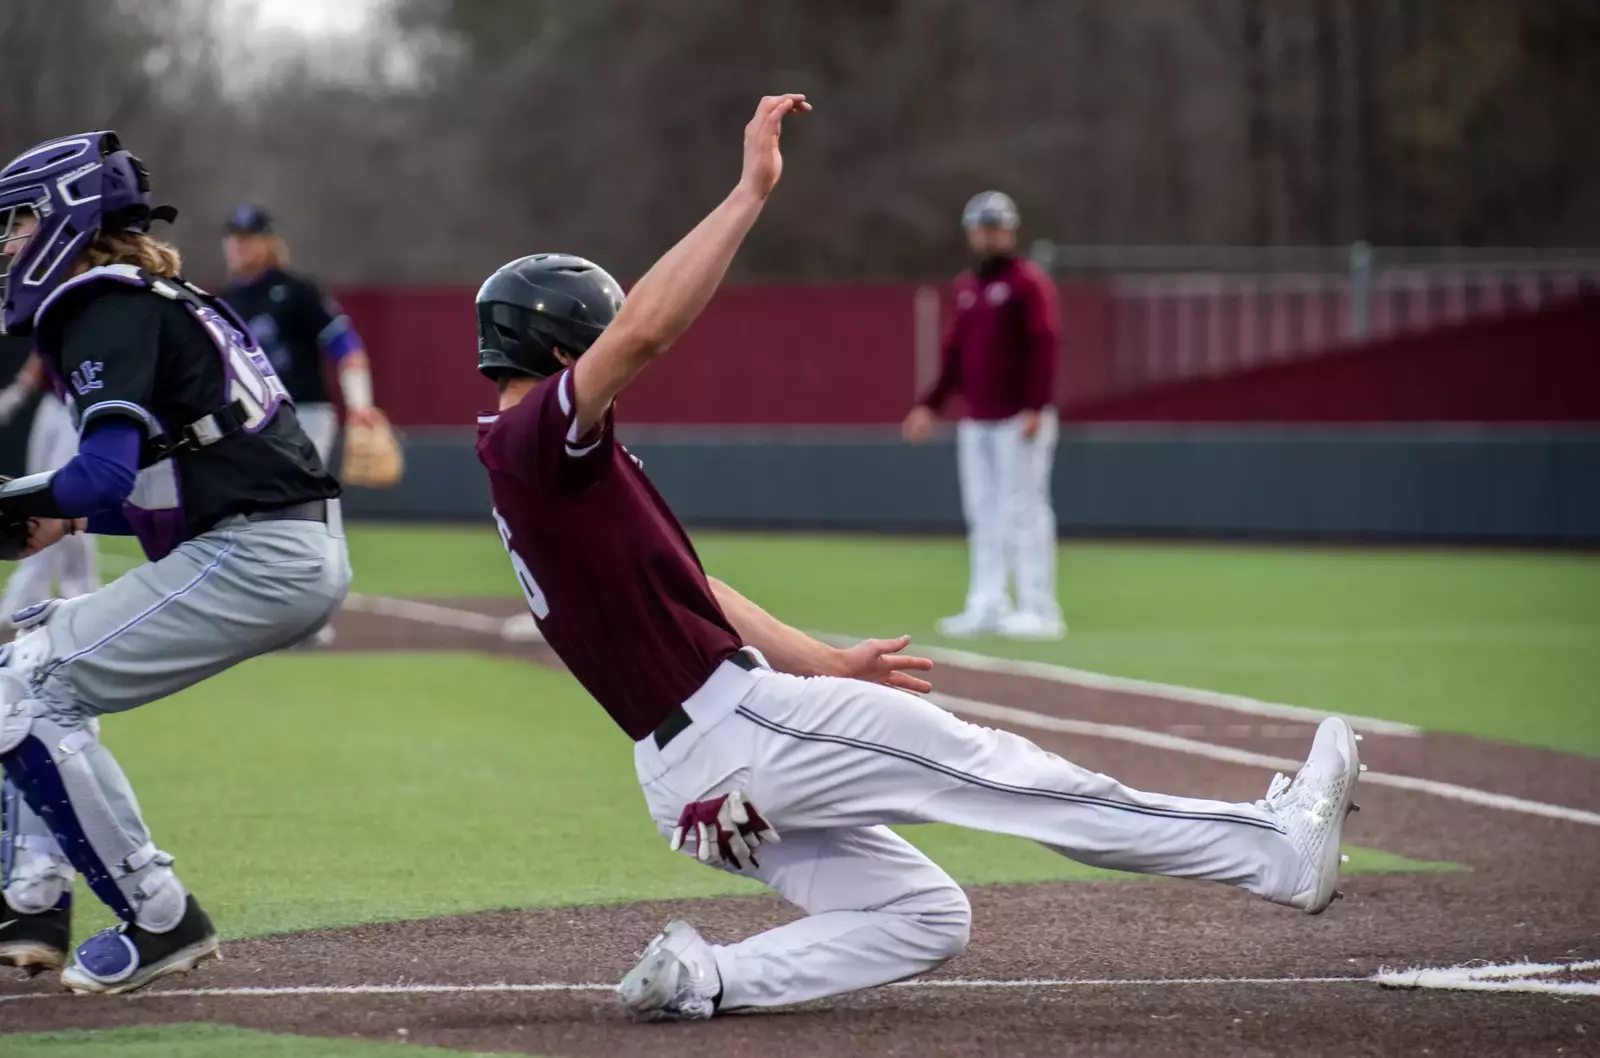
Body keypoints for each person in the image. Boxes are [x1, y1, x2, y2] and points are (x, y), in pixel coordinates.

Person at [473, 95, 1364, 1023]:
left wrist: (824, 662)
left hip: (686, 781)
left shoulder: (532, 462)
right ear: (567, 346)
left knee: (923, 914)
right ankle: (1276, 848)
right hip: (740, 735)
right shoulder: (537, 440)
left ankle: (707, 979)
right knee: (1020, 780)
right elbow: (647, 330)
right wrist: (749, 192)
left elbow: (695, 591)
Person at [0, 131, 349, 993]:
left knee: (27, 684)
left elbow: (104, 469)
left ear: (67, 219)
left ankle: (158, 916)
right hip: (274, 539)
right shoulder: (153, 293)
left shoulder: (98, 302)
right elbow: (171, 474)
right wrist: (65, 513)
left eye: (19, 220)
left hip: (257, 551)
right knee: (28, 668)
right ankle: (34, 899)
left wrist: (42, 496)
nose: (7, 241)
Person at [902, 192, 1065, 640]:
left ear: (1010, 230)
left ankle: (1039, 606)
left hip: (1018, 416)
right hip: (979, 417)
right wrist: (929, 405)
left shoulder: (1028, 283)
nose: (988, 235)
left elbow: (1045, 344)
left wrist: (1036, 404)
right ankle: (988, 602)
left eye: (996, 226)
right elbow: (955, 354)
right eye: (981, 227)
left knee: (1025, 509)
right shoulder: (969, 287)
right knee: (984, 511)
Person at [220, 205, 386, 646]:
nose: (238, 244)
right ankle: (271, 606)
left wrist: (361, 404)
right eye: (233, 236)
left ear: (267, 241)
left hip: (305, 413)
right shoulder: (227, 301)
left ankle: (311, 613)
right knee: (254, 512)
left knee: (299, 507)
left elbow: (346, 346)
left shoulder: (296, 290)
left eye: (247, 236)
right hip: (251, 421)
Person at [0, 348, 100, 617]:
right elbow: (44, 347)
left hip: (85, 404)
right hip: (54, 401)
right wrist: (19, 389)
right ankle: (51, 593)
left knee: (60, 504)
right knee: (34, 495)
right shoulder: (56, 313)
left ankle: (54, 594)